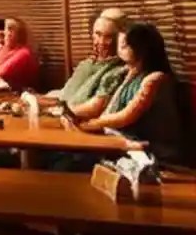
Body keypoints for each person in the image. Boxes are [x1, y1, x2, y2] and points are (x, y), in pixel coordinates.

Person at [66, 22, 186, 164]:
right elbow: (111, 108)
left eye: (125, 45)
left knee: (76, 160)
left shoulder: (155, 78)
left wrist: (93, 124)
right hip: (127, 140)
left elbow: (126, 116)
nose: (119, 48)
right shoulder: (129, 72)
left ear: (141, 48)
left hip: (153, 148)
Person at [42, 10, 128, 117]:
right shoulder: (86, 64)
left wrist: (60, 111)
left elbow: (95, 108)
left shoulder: (118, 71)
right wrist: (35, 100)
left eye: (108, 37)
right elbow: (64, 95)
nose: (101, 42)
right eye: (98, 34)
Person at [0, 17, 39, 91]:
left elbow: (2, 73)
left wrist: (4, 50)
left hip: (19, 93)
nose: (5, 33)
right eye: (6, 29)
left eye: (10, 29)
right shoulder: (9, 49)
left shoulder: (24, 53)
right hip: (4, 91)